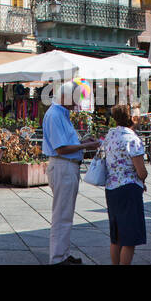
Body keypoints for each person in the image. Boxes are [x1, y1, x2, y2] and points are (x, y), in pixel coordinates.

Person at [41, 82, 99, 265]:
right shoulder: (55, 115)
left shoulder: (60, 114)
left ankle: (62, 254)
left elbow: (64, 144)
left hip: (66, 166)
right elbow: (61, 148)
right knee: (62, 214)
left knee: (65, 213)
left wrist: (82, 141)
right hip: (63, 166)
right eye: (75, 99)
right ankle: (58, 258)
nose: (77, 104)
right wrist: (86, 145)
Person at [101, 103, 148, 265]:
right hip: (129, 189)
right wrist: (143, 178)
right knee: (129, 239)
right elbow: (141, 172)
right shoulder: (132, 139)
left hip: (112, 189)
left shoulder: (111, 136)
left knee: (116, 237)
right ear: (133, 118)